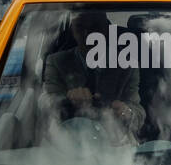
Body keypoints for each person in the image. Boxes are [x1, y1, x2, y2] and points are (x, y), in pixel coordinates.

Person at [43, 10, 144, 141]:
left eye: (95, 27)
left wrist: (127, 112)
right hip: (69, 141)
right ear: (72, 30)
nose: (87, 35)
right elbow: (46, 103)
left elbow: (138, 111)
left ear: (106, 30)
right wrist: (66, 98)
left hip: (115, 144)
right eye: (80, 27)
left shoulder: (127, 64)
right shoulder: (56, 62)